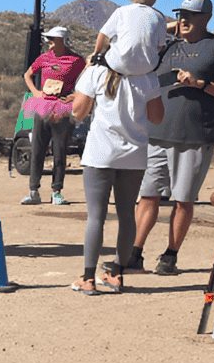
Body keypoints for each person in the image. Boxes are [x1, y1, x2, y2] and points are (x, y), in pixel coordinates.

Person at [125, 0, 214, 275]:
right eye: (181, 15)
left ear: (207, 18)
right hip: (157, 133)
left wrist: (200, 84)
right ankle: (134, 253)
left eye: (191, 15)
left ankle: (170, 256)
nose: (184, 20)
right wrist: (173, 27)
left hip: (195, 136)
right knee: (148, 195)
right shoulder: (168, 47)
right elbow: (146, 33)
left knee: (183, 199)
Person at [68, 65, 165, 293]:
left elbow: (78, 112)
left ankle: (89, 277)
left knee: (96, 216)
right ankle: (117, 272)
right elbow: (157, 117)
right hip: (134, 155)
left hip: (101, 153)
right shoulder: (148, 76)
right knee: (127, 214)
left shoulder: (96, 73)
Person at [20, 26, 86, 206]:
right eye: (47, 38)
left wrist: (77, 95)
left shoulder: (76, 60)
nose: (48, 41)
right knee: (38, 149)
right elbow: (27, 74)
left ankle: (57, 192)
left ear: (61, 40)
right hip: (43, 107)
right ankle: (33, 191)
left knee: (60, 151)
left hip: (63, 109)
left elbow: (90, 75)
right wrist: (35, 92)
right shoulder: (44, 58)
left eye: (51, 38)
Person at [91, 0, 166, 77]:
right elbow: (160, 45)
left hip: (118, 65)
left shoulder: (121, 11)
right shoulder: (159, 16)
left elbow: (103, 35)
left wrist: (96, 54)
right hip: (147, 67)